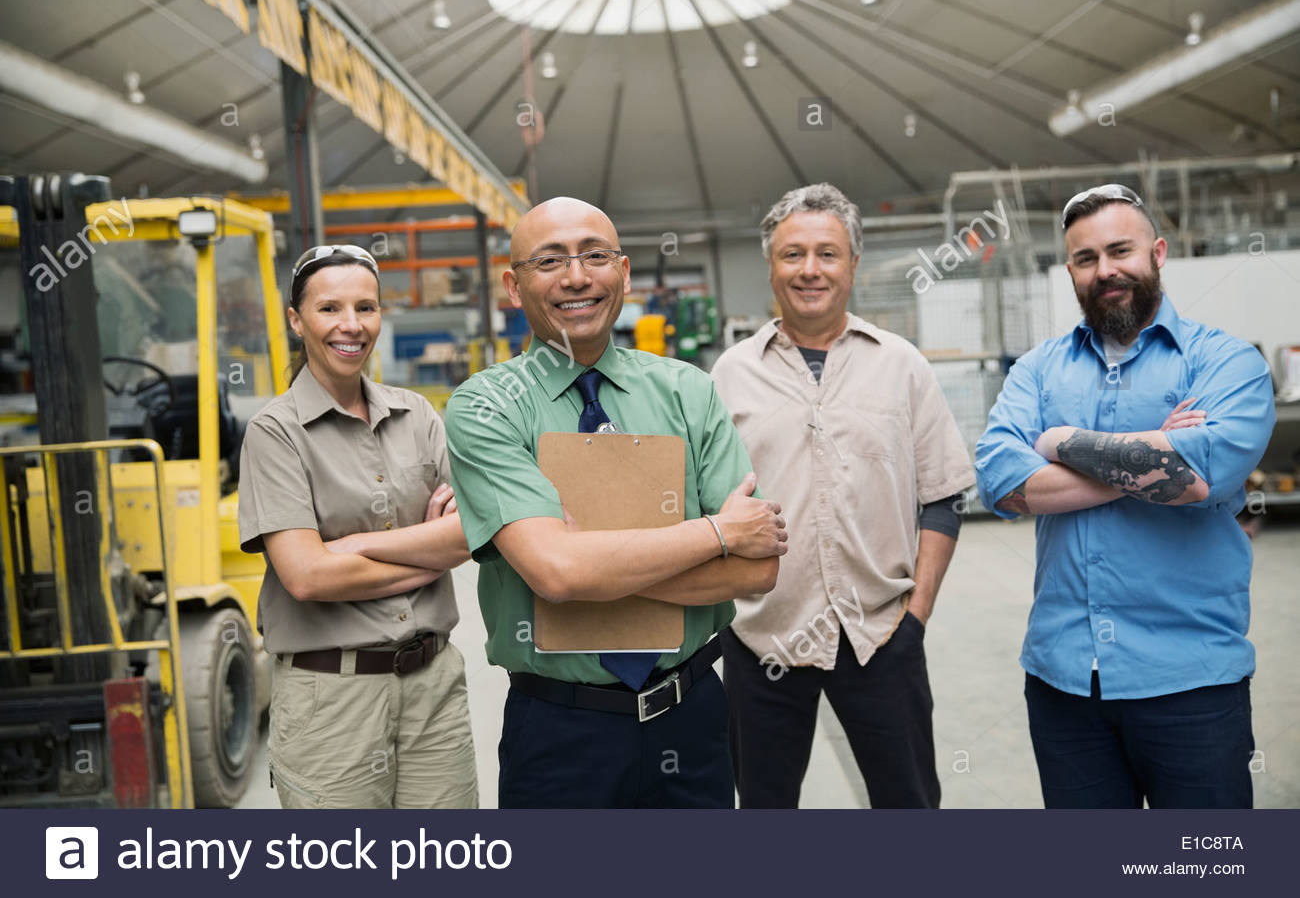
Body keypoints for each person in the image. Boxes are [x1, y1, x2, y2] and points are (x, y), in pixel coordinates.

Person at [444, 197, 786, 808]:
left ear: (623, 273)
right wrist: (717, 534)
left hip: (693, 718)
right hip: (560, 733)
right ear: (513, 286)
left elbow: (757, 569)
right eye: (550, 260)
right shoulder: (487, 408)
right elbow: (557, 572)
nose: (577, 277)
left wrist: (592, 566)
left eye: (595, 256)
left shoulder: (689, 393)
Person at [975, 184, 1276, 808]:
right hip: (1064, 684)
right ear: (1070, 271)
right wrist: (1149, 454)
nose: (1105, 270)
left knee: (1203, 858)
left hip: (1190, 683)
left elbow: (1196, 476)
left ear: (1157, 253)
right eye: (1086, 258)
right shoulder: (1037, 369)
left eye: (1120, 250)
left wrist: (1057, 442)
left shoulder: (1224, 361)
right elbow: (1001, 481)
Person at [711, 183, 974, 808]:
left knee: (908, 806)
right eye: (793, 254)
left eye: (827, 254)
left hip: (880, 633)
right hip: (762, 638)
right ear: (771, 266)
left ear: (852, 264)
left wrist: (916, 618)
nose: (810, 269)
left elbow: (944, 496)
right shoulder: (730, 374)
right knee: (764, 812)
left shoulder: (902, 365)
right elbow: (706, 511)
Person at [238, 244, 477, 808]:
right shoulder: (275, 433)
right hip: (332, 701)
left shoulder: (417, 415)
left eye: (365, 308)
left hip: (434, 687)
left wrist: (357, 547)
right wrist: (428, 557)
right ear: (296, 320)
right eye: (330, 309)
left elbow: (471, 534)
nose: (352, 325)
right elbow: (308, 577)